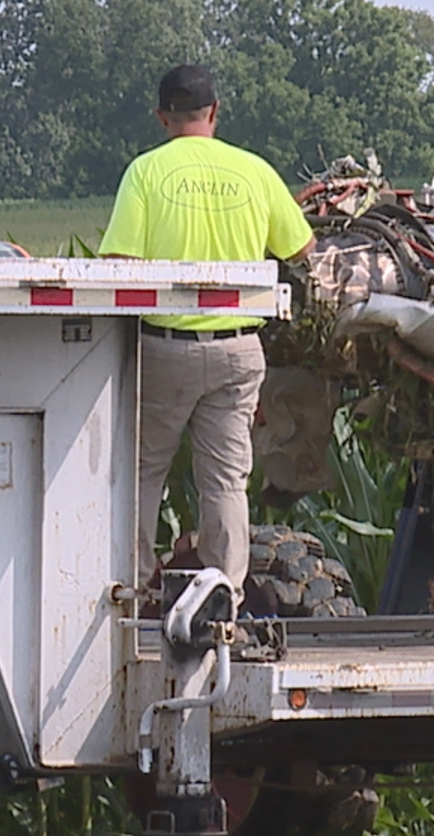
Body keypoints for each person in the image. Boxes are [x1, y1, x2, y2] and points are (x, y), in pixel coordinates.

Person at [100, 64, 314, 595]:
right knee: (224, 480)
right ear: (215, 113)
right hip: (239, 352)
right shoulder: (255, 171)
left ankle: (133, 583)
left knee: (144, 470)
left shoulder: (146, 173)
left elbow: (119, 262)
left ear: (162, 117)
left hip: (163, 350)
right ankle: (225, 592)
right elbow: (303, 250)